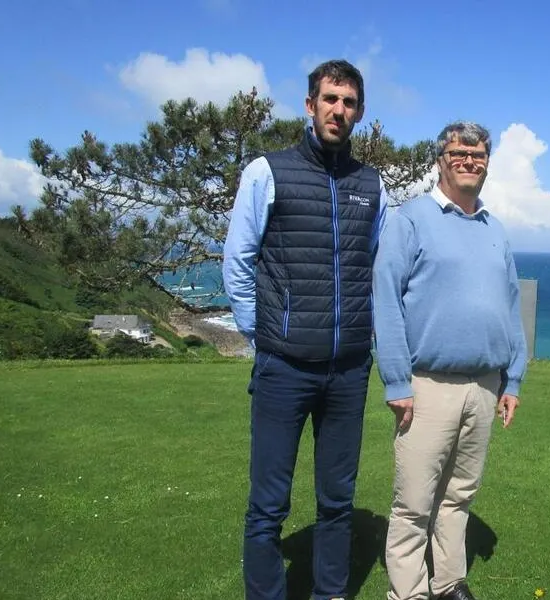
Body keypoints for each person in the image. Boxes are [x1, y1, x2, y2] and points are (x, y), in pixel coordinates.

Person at [222, 59, 389, 600]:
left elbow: (382, 266)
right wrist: (262, 333)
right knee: (268, 504)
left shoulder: (371, 184)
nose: (338, 110)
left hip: (347, 371)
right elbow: (238, 260)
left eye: (348, 102)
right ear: (310, 104)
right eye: (329, 98)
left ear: (358, 112)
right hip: (284, 367)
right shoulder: (267, 171)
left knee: (337, 501)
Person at [372, 121, 528, 600]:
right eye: (459, 152)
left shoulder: (494, 229)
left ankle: (447, 582)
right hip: (427, 384)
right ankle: (409, 593)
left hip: (483, 385)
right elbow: (385, 299)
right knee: (415, 502)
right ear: (440, 158)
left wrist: (513, 380)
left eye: (478, 154)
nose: (469, 160)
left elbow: (510, 306)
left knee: (459, 495)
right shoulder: (412, 219)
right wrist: (397, 381)